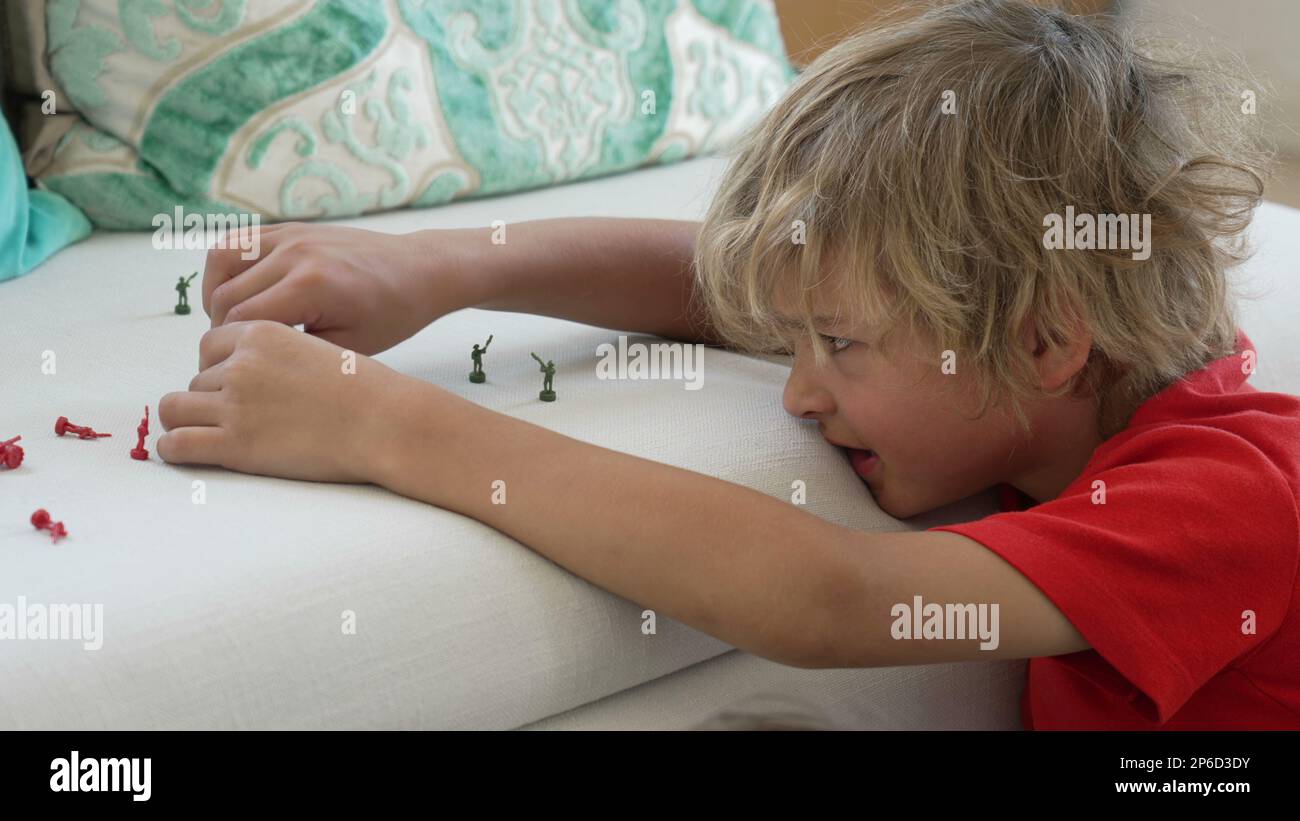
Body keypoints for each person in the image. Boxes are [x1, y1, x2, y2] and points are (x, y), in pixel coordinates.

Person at [157, 0, 1299, 729]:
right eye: (801, 342)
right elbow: (710, 282)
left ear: (1045, 341)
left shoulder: (1233, 494)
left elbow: (835, 599)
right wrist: (438, 267)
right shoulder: (1082, 367)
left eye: (837, 348)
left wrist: (384, 427)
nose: (799, 388)